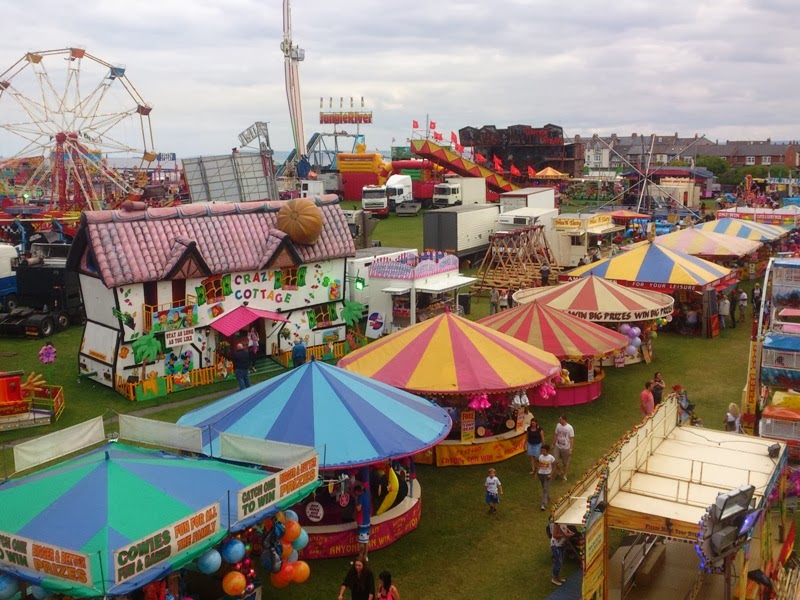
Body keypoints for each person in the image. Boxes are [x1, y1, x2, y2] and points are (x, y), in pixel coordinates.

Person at [549, 521, 574, 586]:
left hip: (561, 545)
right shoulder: (557, 524)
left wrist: (569, 532)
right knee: (558, 562)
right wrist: (566, 535)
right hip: (556, 545)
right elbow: (555, 535)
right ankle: (554, 578)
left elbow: (565, 530)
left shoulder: (564, 522)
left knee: (561, 561)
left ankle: (557, 577)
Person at [552, 414, 574, 482]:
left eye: (560, 419)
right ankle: (560, 472)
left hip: (566, 447)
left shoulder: (569, 428)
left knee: (565, 463)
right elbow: (556, 434)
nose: (559, 420)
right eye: (559, 419)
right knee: (555, 461)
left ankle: (565, 475)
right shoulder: (558, 425)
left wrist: (570, 449)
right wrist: (552, 444)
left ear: (564, 419)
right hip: (558, 446)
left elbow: (572, 439)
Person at [352, 484, 371, 561]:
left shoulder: (360, 498)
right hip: (367, 521)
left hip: (362, 522)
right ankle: (365, 556)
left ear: (357, 491)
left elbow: (358, 508)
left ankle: (360, 556)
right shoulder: (366, 496)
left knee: (361, 541)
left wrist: (356, 500)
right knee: (366, 540)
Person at [537, 444, 555, 511]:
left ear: (547, 451)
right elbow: (539, 465)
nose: (542, 452)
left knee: (545, 489)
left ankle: (543, 504)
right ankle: (547, 496)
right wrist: (537, 473)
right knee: (544, 487)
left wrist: (551, 474)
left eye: (544, 451)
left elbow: (554, 466)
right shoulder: (540, 457)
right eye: (542, 450)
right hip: (541, 474)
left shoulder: (551, 458)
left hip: (547, 475)